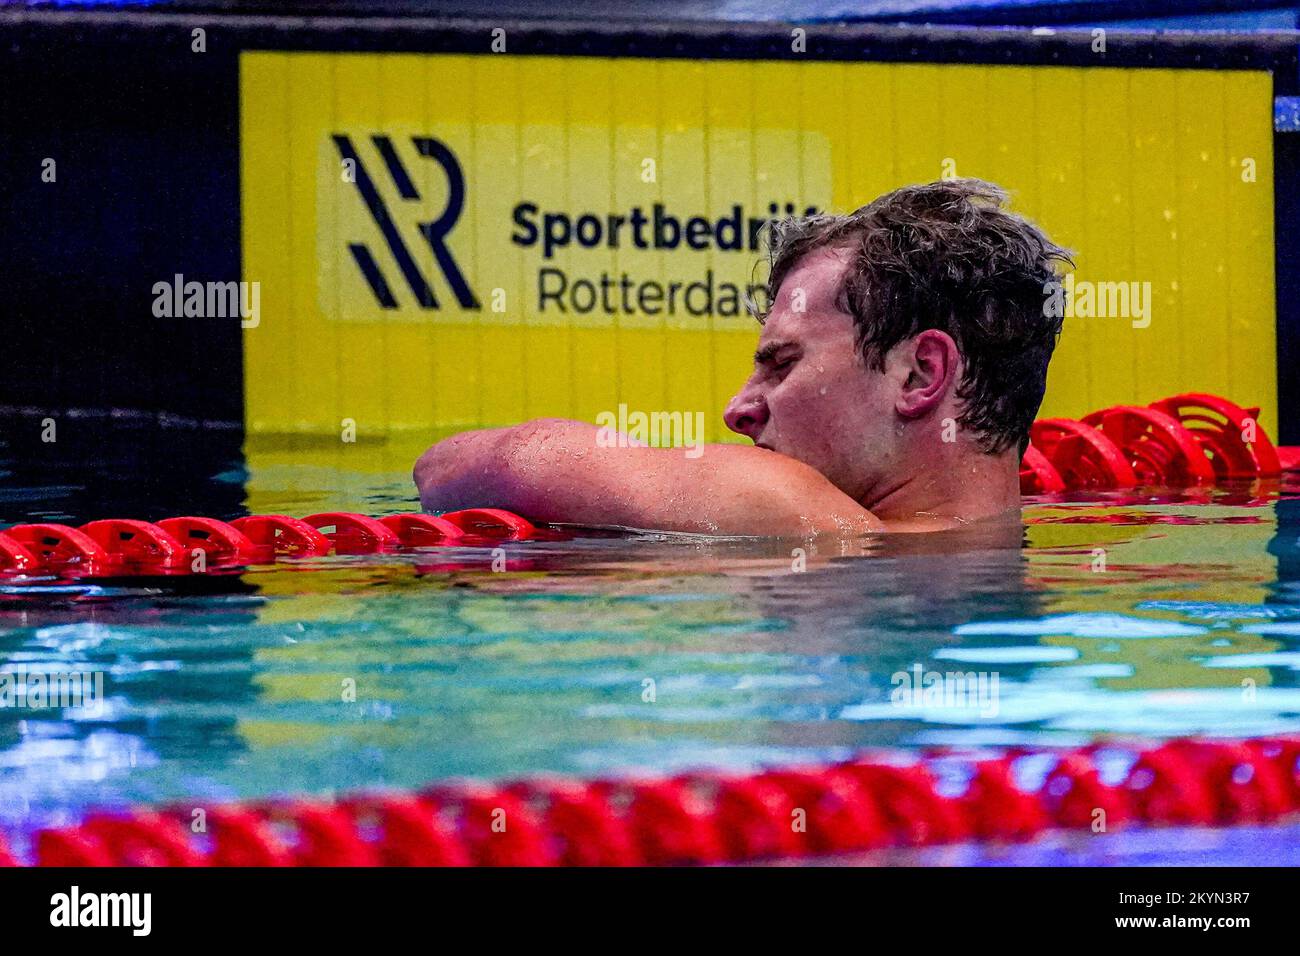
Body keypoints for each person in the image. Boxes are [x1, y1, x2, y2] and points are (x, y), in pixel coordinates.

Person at [414, 178, 1071, 535]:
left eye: (782, 364)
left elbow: (453, 467)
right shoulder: (1024, 549)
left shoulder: (789, 510)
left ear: (921, 373)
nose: (737, 410)